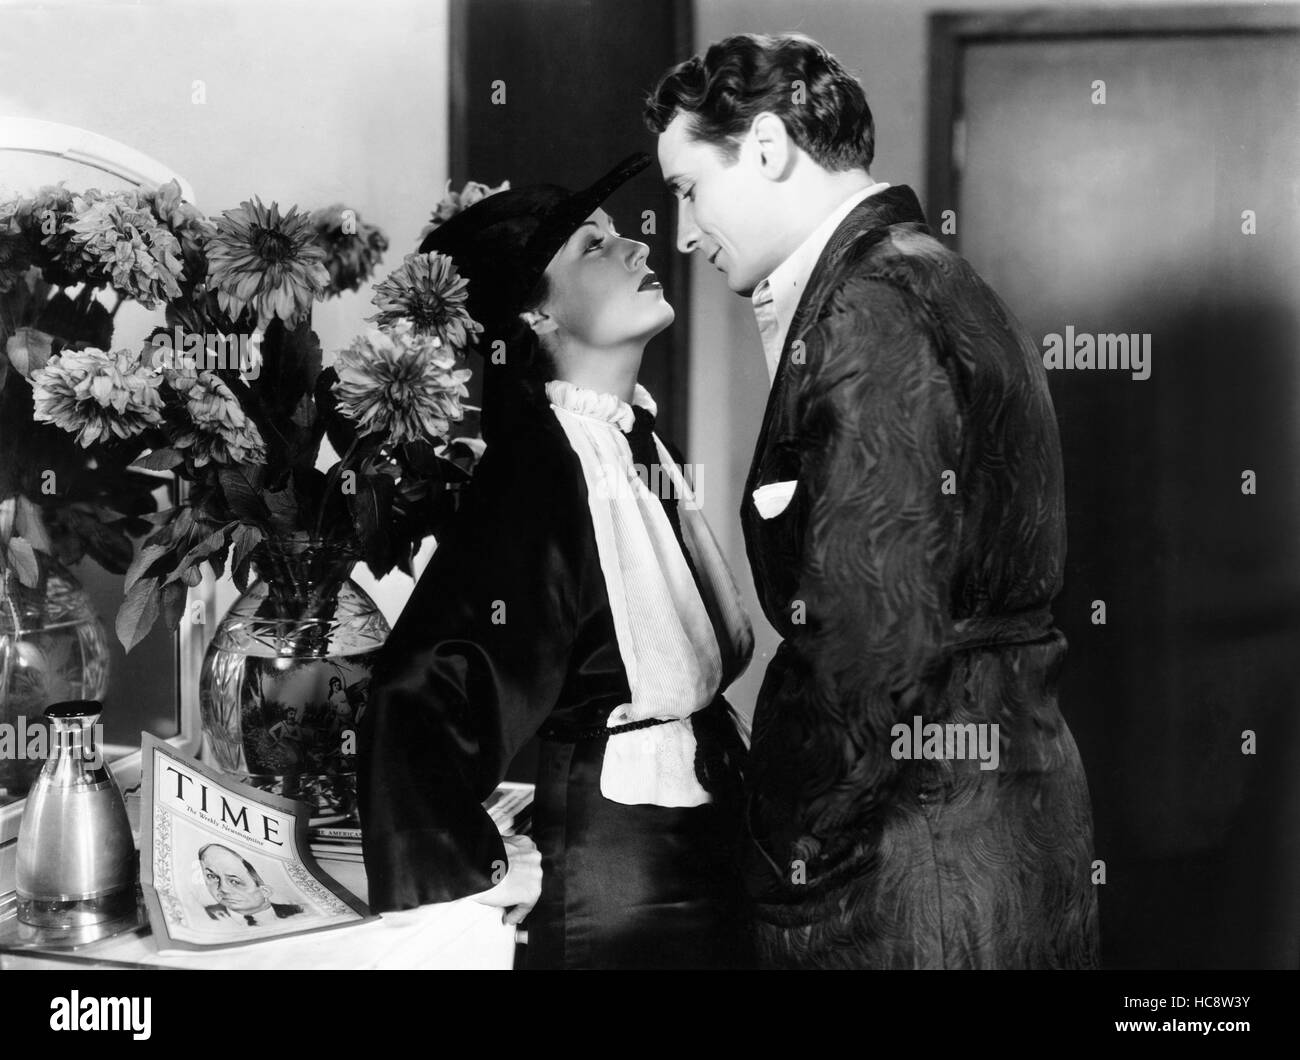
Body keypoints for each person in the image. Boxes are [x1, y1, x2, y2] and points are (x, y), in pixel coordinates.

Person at [645, 32, 1101, 969]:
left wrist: (790, 853)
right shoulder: (924, 271)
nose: (683, 232)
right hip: (996, 835)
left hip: (910, 872)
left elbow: (872, 640)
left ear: (767, 147)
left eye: (689, 189)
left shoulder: (870, 308)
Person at [357, 153, 755, 969]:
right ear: (534, 316)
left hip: (696, 843)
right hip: (624, 887)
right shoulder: (540, 466)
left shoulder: (623, 437)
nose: (640, 248)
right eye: (593, 246)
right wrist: (477, 862)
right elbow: (418, 686)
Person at [199, 844, 304, 926]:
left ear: (265, 891)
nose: (223, 889)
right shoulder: (201, 915)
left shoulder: (299, 912)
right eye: (212, 876)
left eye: (234, 882)